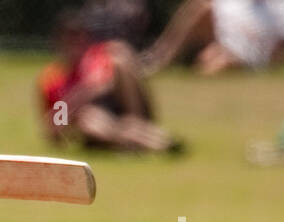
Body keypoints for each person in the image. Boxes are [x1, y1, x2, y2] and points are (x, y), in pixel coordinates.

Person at [38, 9, 183, 153]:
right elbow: (55, 127)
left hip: (122, 106)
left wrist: (71, 103)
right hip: (97, 124)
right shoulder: (54, 79)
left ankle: (141, 129)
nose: (76, 43)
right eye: (70, 38)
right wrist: (71, 111)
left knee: (119, 57)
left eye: (80, 36)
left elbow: (102, 84)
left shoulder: (94, 58)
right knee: (89, 118)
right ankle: (153, 142)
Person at [141, 0, 284, 76]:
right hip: (222, 46)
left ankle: (161, 63)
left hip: (252, 58)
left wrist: (265, 67)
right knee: (203, 0)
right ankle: (160, 58)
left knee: (214, 65)